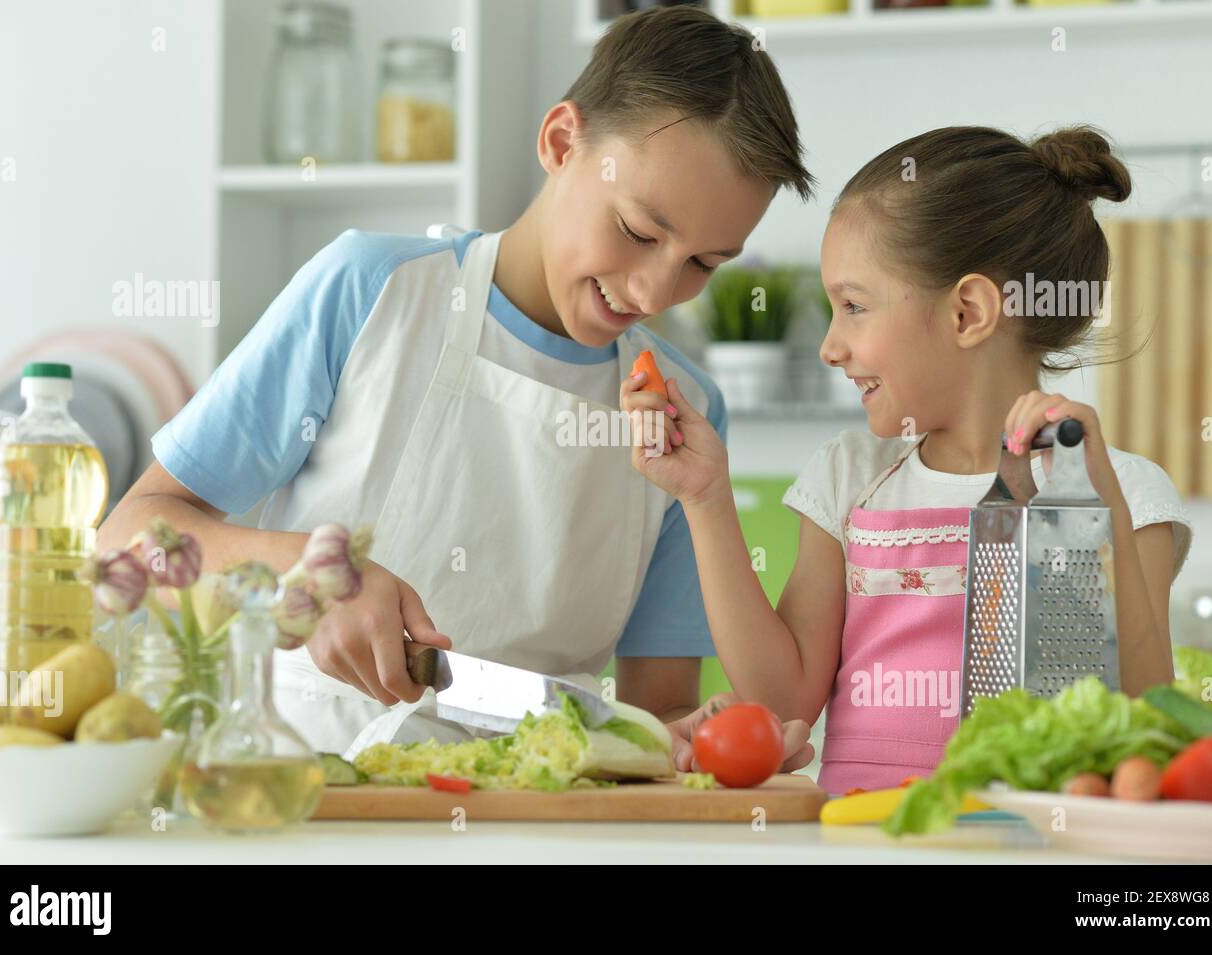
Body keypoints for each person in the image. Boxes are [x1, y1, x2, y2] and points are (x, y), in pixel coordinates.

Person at [100, 6, 817, 757]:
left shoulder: (688, 413)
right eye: (639, 231)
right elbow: (128, 538)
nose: (653, 291)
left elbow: (654, 713)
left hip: (527, 824)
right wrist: (306, 572)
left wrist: (694, 744)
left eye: (705, 263)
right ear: (562, 142)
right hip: (300, 796)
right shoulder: (373, 291)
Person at [625, 126, 1193, 792]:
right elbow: (784, 703)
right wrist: (704, 496)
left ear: (967, 312)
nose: (829, 346)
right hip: (859, 841)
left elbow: (1149, 718)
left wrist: (1099, 514)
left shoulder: (1126, 488)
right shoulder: (851, 477)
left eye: (854, 306)